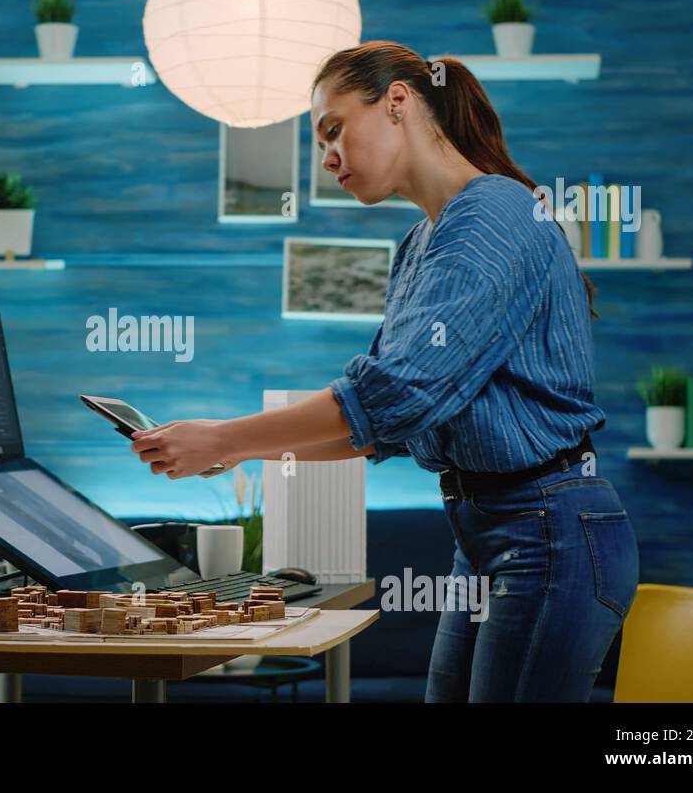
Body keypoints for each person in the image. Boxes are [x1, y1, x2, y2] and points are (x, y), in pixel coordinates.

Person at [128, 40, 639, 702]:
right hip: (485, 537)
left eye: (333, 129)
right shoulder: (418, 247)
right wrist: (240, 454)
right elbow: (381, 428)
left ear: (398, 100)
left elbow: (393, 390)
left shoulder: (496, 214)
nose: (326, 157)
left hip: (550, 533)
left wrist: (228, 437)